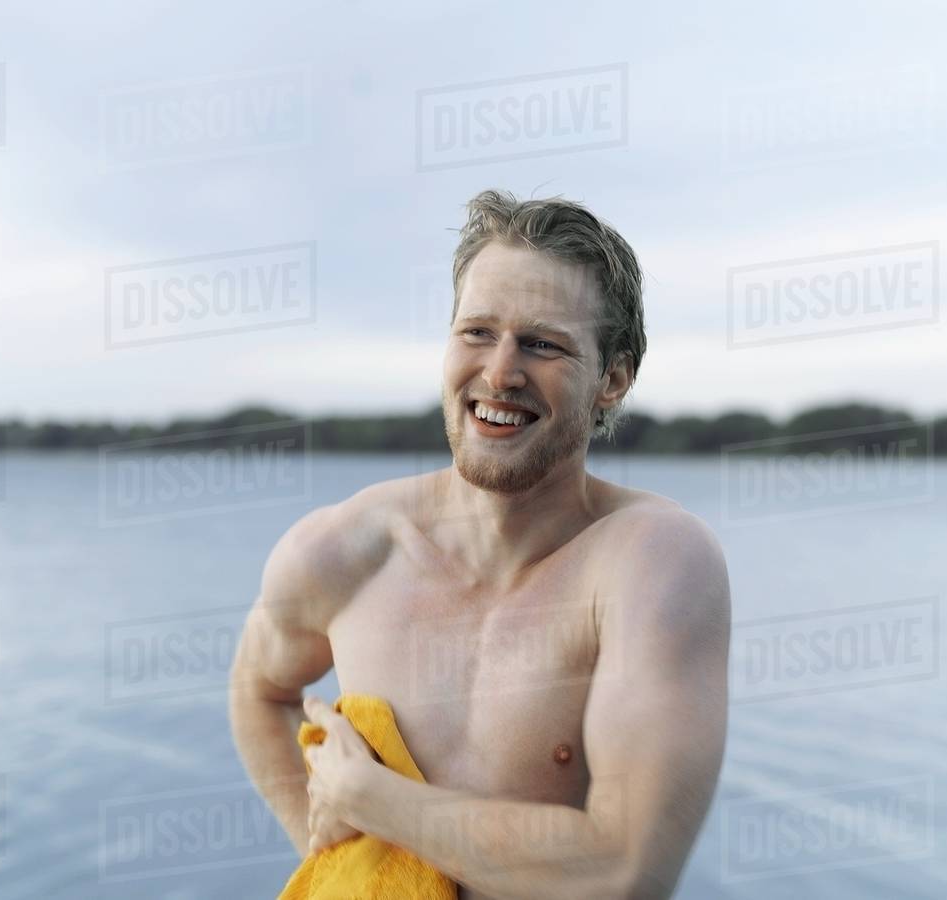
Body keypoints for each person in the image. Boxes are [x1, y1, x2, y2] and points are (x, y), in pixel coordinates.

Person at [229, 189, 731, 899]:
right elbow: (259, 688)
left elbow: (627, 870)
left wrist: (369, 800)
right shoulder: (344, 550)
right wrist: (330, 859)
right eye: (477, 332)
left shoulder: (650, 563)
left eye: (542, 344)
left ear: (613, 379)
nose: (499, 372)